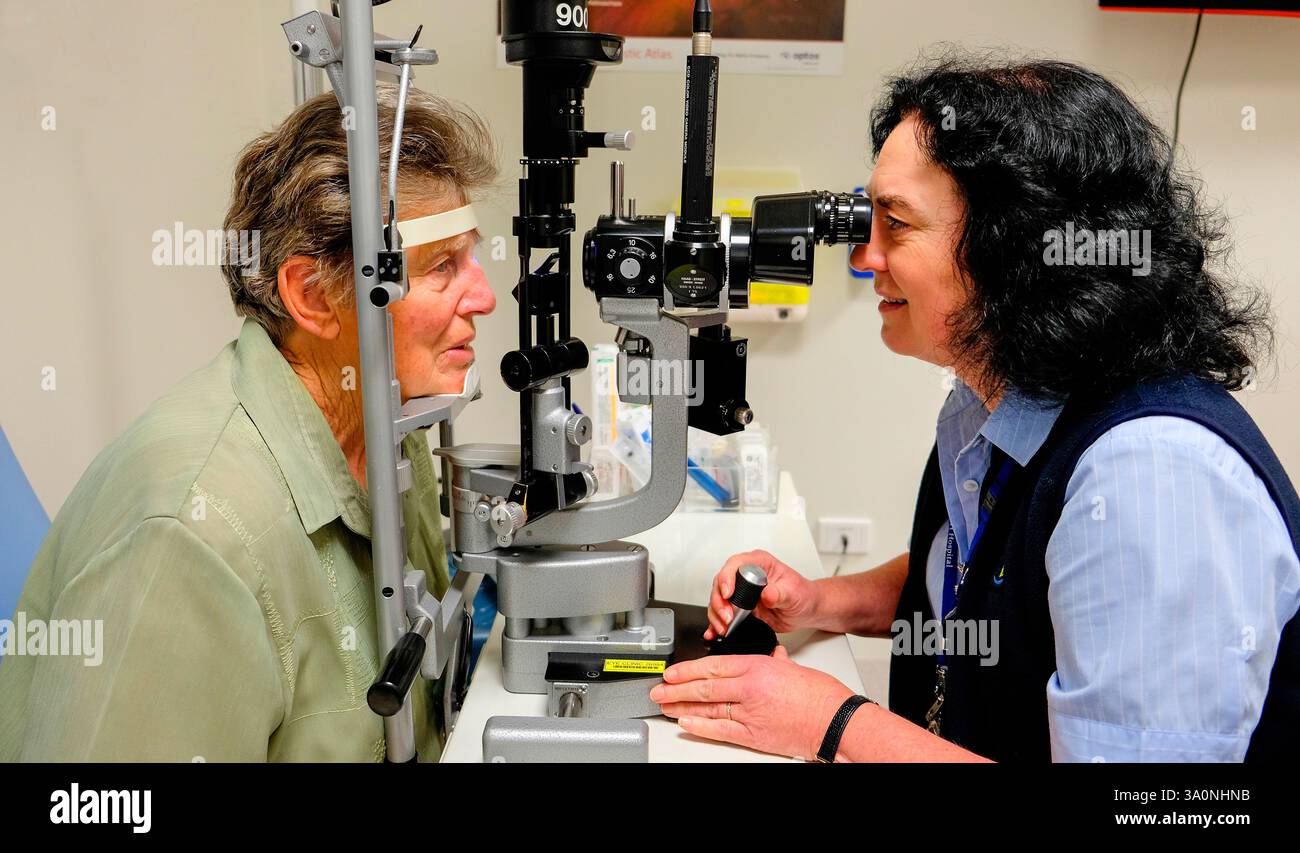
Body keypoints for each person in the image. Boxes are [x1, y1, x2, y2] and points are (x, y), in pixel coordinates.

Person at [650, 57, 1300, 762]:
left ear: (1015, 250)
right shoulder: (1003, 396)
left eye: (895, 225)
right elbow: (993, 575)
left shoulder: (1151, 477)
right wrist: (824, 601)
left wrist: (829, 722)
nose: (866, 257)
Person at [0, 85, 498, 761]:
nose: (487, 296)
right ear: (314, 296)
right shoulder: (192, 540)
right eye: (442, 267)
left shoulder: (390, 427)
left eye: (470, 257)